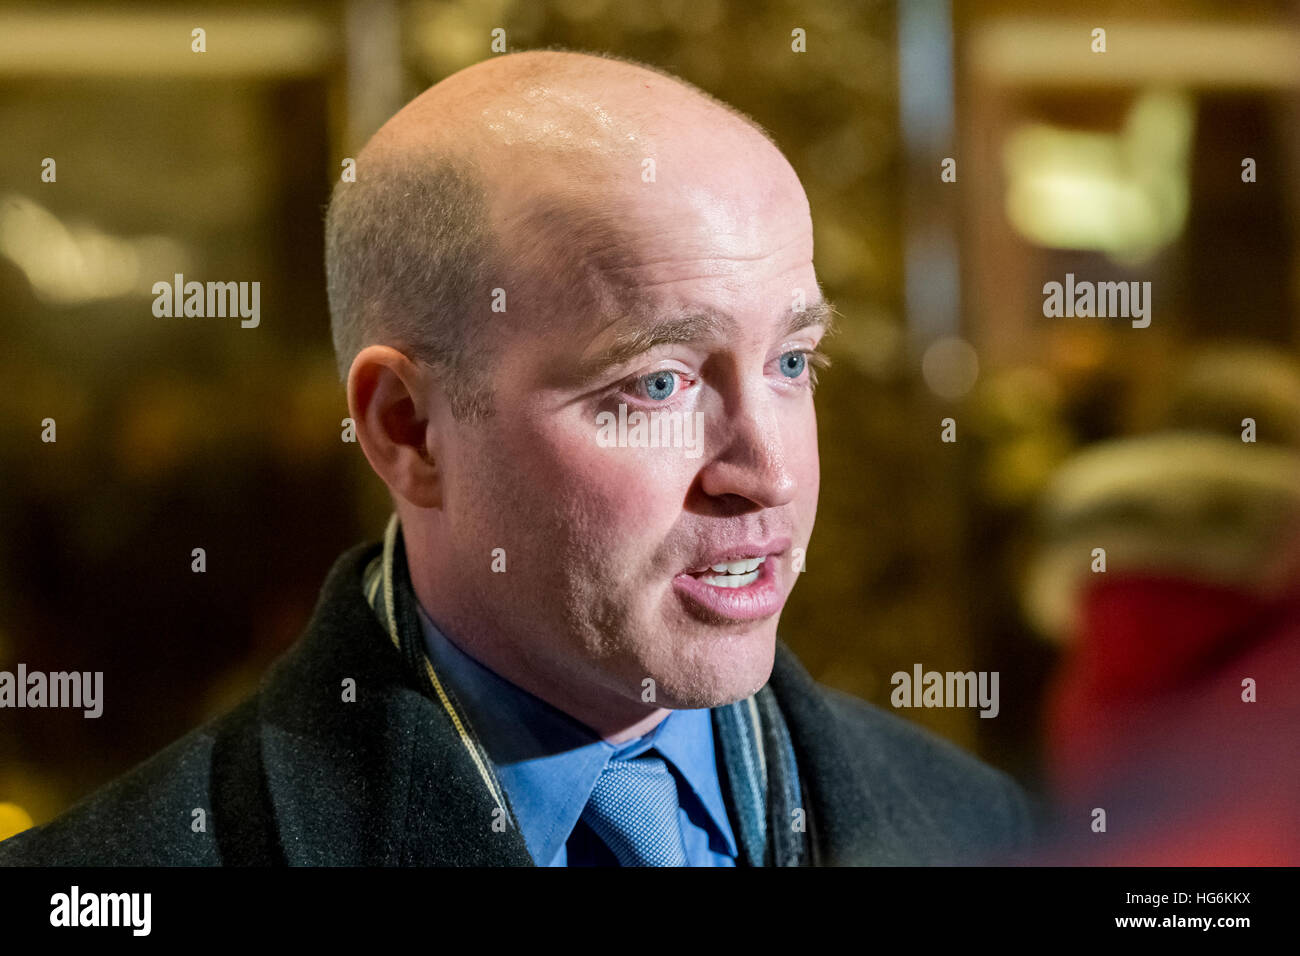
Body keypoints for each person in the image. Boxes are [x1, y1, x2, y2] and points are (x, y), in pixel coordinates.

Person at [0, 50, 1033, 866]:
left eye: (792, 359)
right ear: (407, 428)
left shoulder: (980, 823)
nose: (764, 472)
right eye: (657, 383)